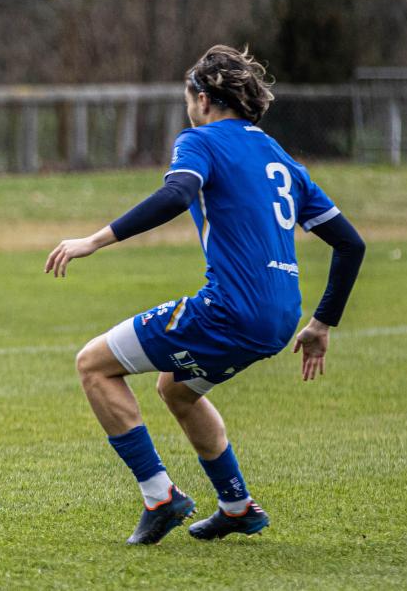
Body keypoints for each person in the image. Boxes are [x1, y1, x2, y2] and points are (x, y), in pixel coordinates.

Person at [44, 45, 365, 545]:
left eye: (187, 98)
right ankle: (236, 507)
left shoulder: (202, 141)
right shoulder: (281, 158)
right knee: (176, 387)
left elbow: (176, 195)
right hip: (281, 318)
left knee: (93, 364)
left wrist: (93, 240)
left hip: (229, 312)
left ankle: (160, 497)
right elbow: (350, 243)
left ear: (203, 99)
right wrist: (322, 324)